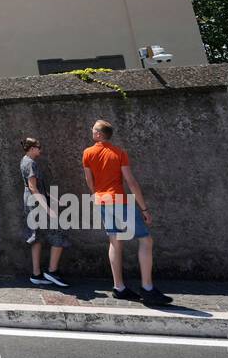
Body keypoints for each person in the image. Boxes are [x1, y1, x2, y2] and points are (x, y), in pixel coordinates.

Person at [81, 119, 172, 305]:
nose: (91, 132)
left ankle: (119, 287)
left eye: (93, 130)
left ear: (99, 134)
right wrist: (144, 208)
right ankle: (147, 288)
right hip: (119, 200)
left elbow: (89, 181)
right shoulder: (119, 153)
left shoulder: (87, 153)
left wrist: (97, 196)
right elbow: (131, 181)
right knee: (146, 240)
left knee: (115, 241)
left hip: (101, 200)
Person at [18, 137, 70, 287]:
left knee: (37, 238)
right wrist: (48, 209)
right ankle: (52, 272)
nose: (41, 150)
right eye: (39, 147)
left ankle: (36, 274)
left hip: (31, 202)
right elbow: (33, 188)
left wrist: (52, 198)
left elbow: (36, 187)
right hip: (36, 205)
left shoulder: (24, 161)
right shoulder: (31, 163)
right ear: (32, 148)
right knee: (59, 234)